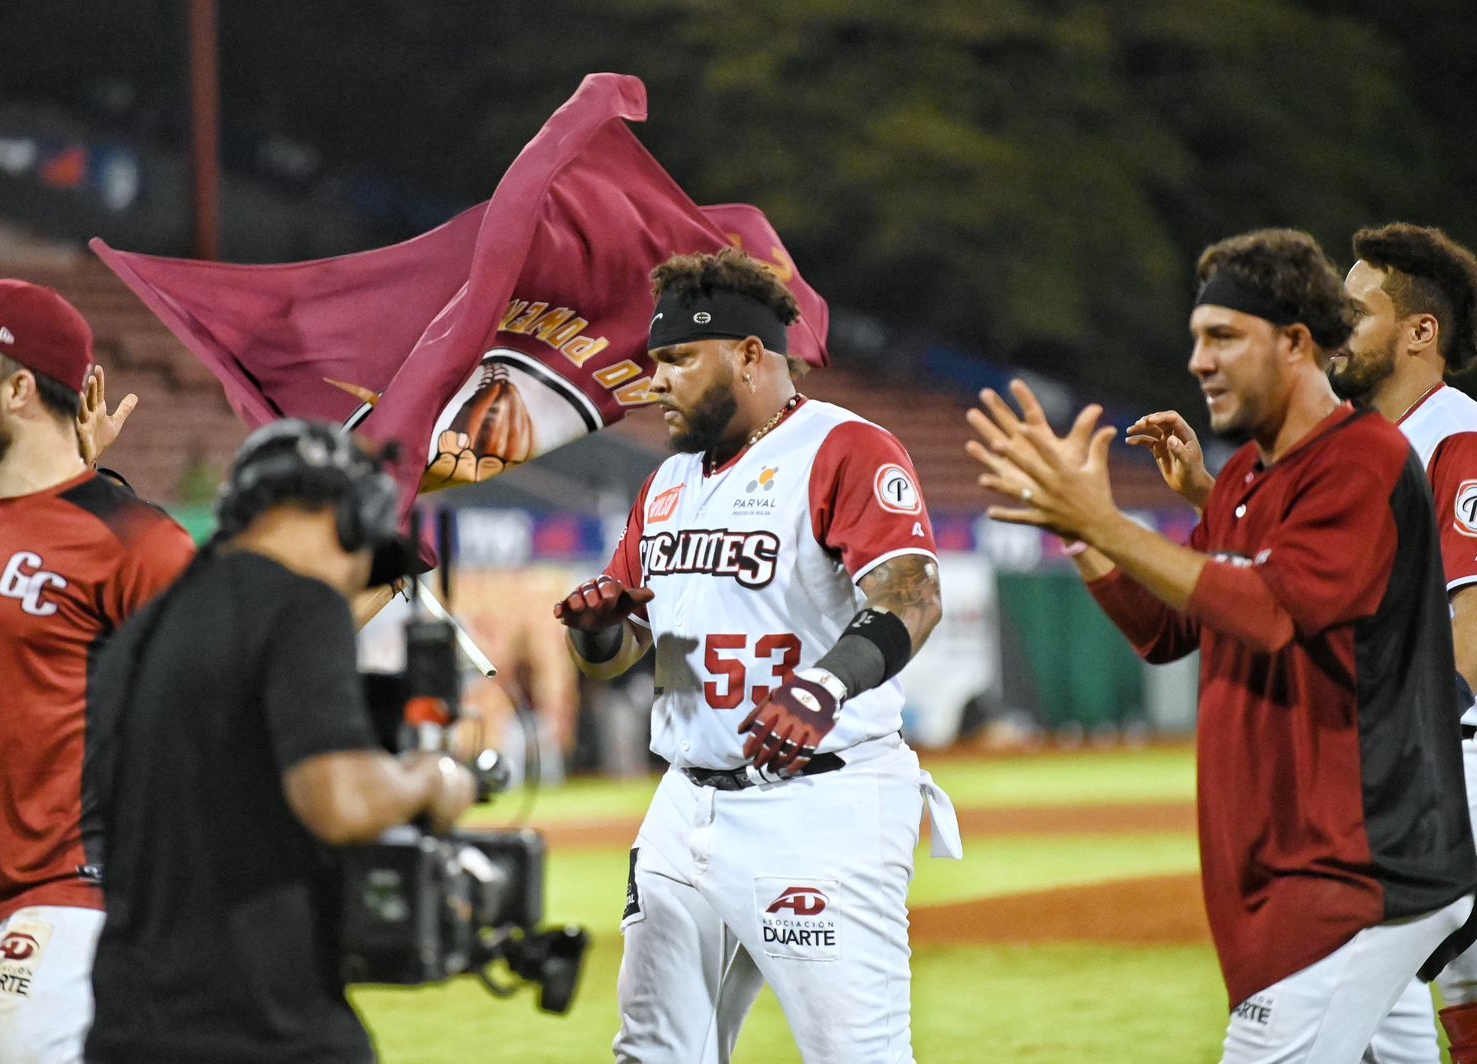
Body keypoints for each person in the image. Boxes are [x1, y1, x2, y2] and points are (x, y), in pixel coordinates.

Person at [966, 228, 1477, 1063]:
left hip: (1359, 856)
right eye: (1198, 339)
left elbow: (1274, 609)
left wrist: (1107, 522)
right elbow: (1169, 629)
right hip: (1286, 851)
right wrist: (1085, 533)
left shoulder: (1369, 457)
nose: (1200, 361)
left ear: (1296, 344)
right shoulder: (1245, 477)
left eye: (1224, 338)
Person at [553, 248, 959, 1064]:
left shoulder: (844, 448)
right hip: (684, 803)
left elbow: (913, 598)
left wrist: (821, 687)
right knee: (653, 1054)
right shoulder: (666, 481)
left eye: (675, 358)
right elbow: (658, 656)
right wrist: (599, 634)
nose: (654, 380)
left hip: (818, 803)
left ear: (748, 354)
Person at [1128, 222, 1477, 1063]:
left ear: (1419, 332)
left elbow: (1471, 610)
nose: (1332, 329)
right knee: (1425, 1016)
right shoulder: (1366, 447)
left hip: (1446, 764)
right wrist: (1215, 495)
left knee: (1341, 993)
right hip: (1417, 767)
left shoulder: (1453, 434)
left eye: (1355, 313)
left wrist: (1423, 736)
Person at [81, 419, 478, 1064]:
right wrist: (430, 778)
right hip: (265, 1024)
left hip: (128, 1020)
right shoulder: (300, 604)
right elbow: (340, 799)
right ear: (342, 515)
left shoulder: (147, 627)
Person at [0, 278, 195, 1063]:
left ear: (19, 388)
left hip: (88, 901)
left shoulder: (138, 541)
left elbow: (223, 690)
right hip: (12, 915)